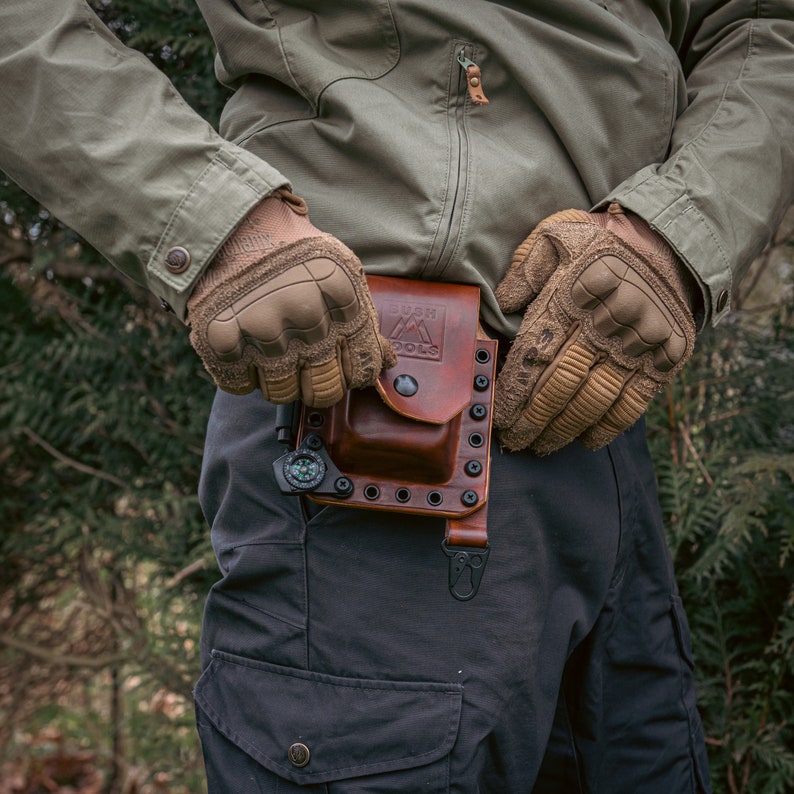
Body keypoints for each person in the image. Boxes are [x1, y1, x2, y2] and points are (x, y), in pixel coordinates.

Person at [2, 1, 793, 791]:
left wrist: (678, 236)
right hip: (363, 428)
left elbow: (761, 25)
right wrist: (208, 219)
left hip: (600, 421)